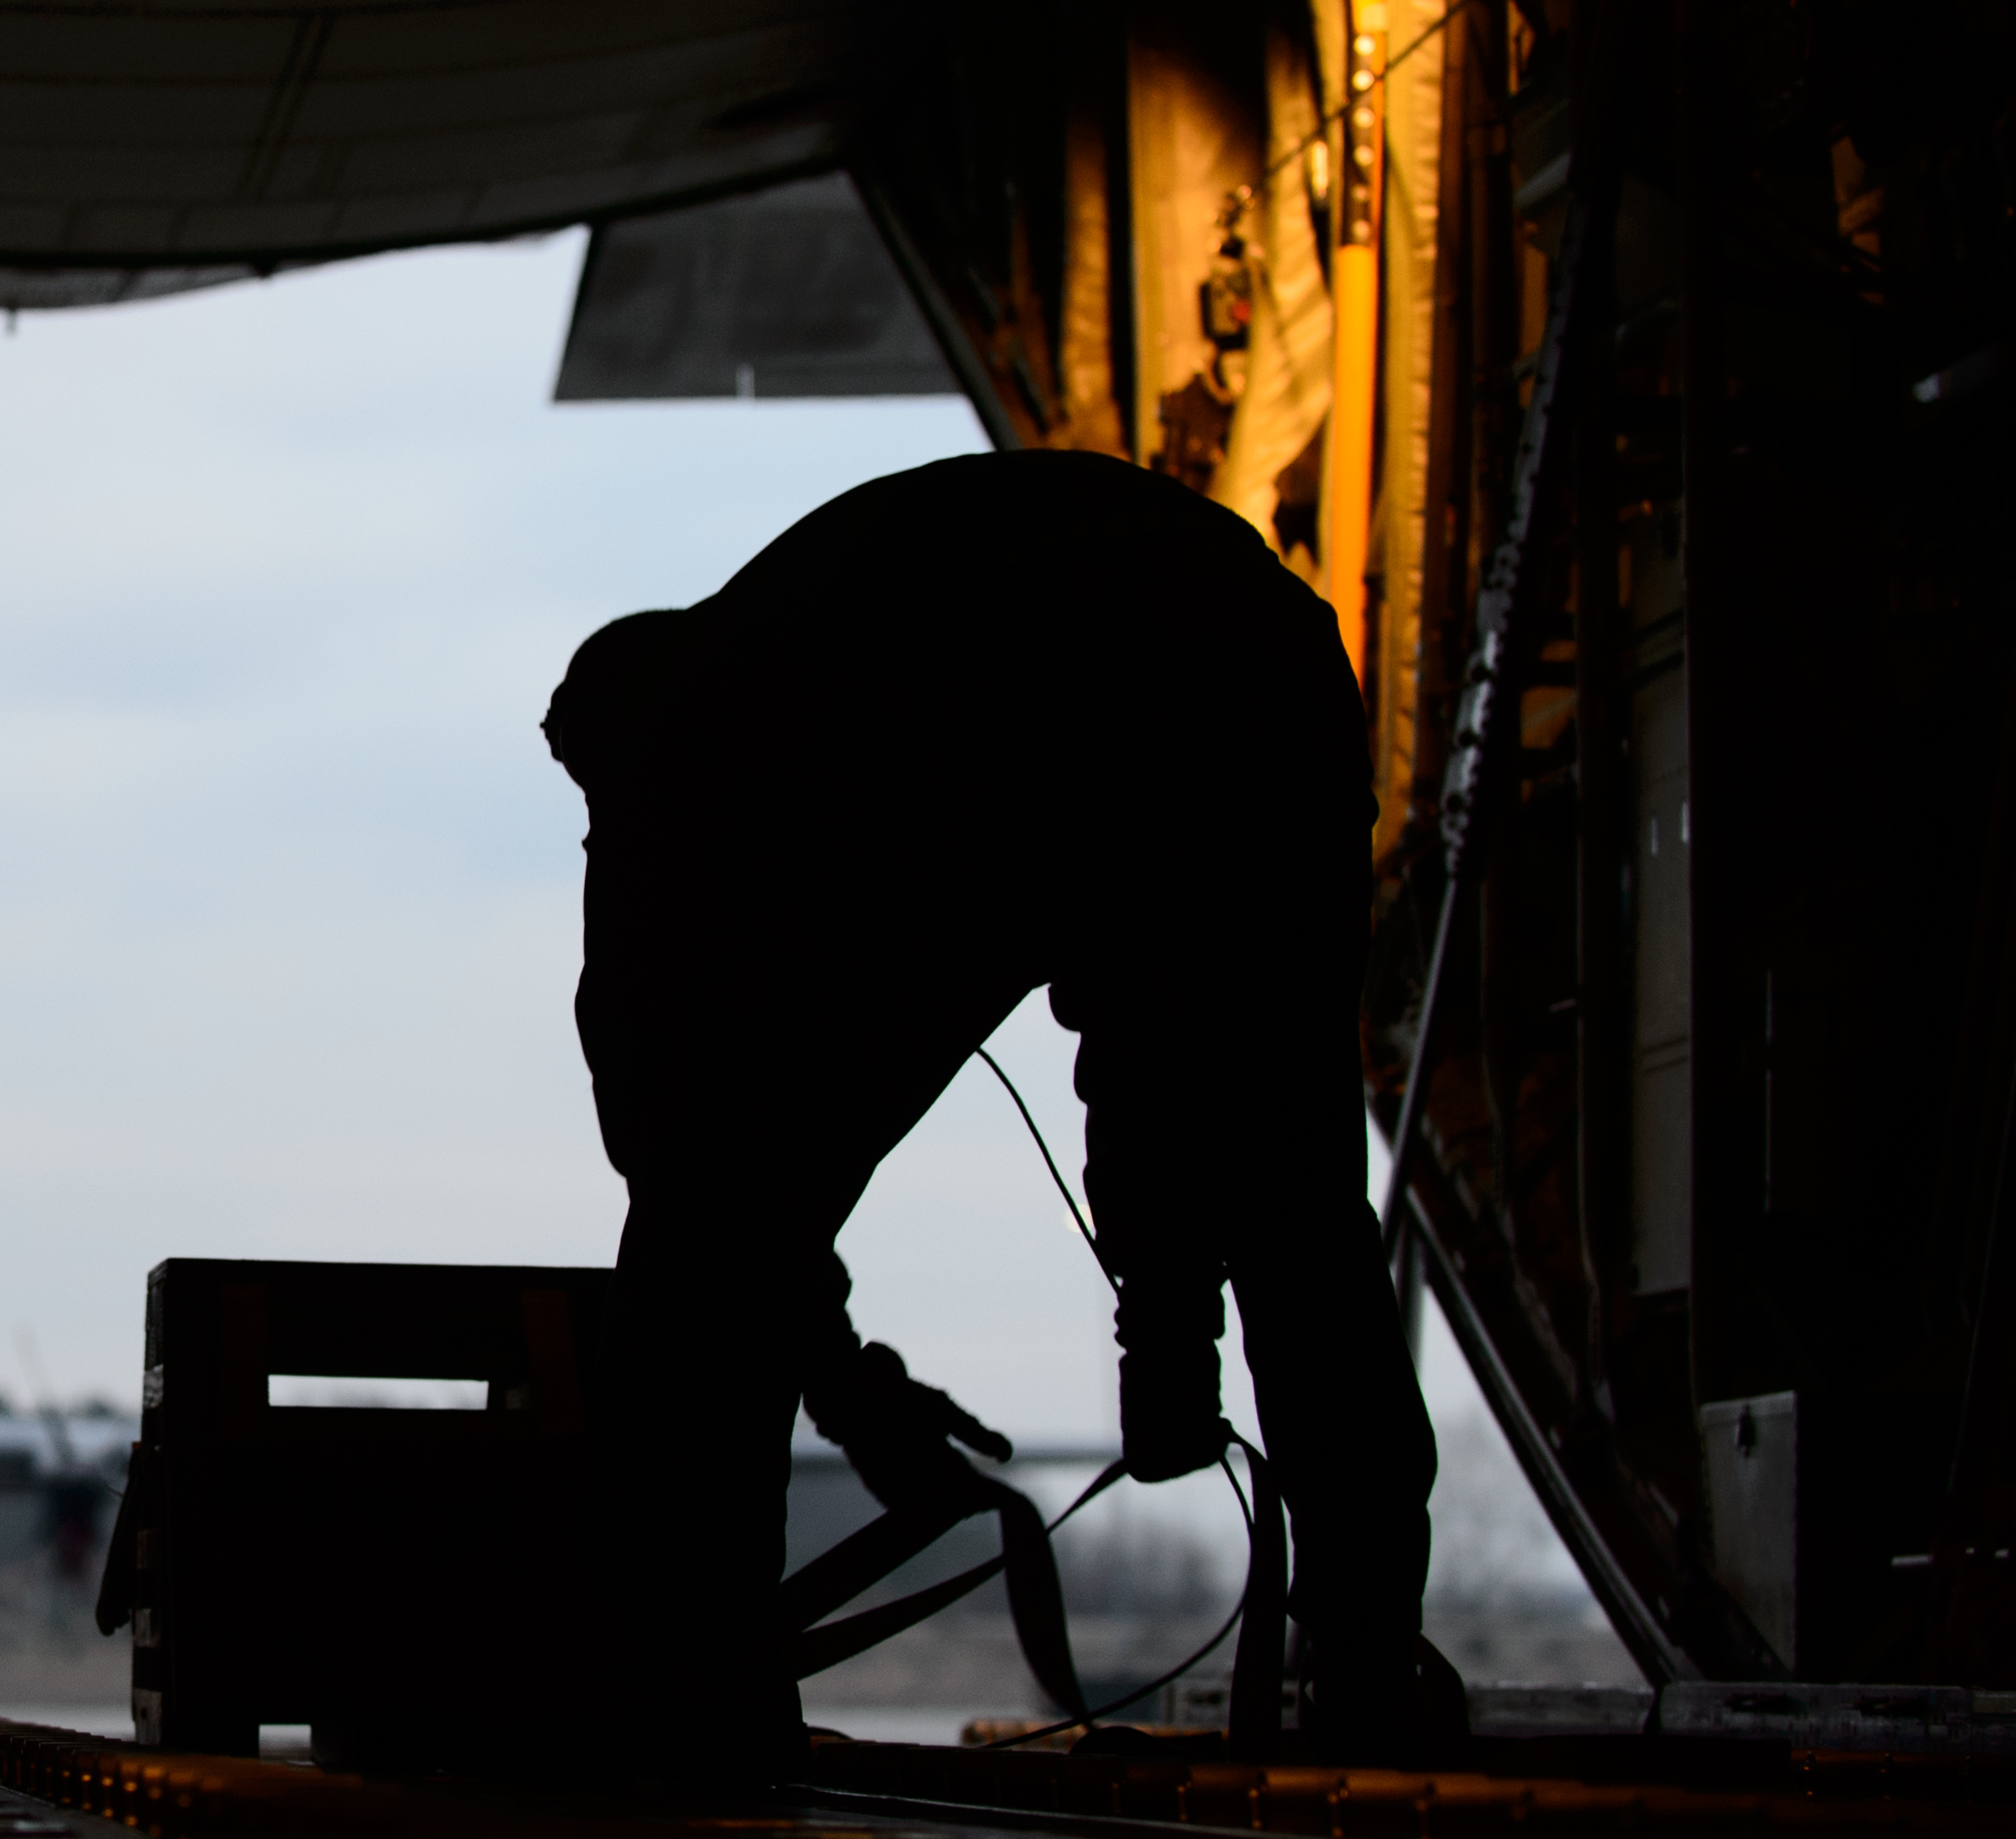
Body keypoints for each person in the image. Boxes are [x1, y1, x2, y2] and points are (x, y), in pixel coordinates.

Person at [541, 450, 1436, 1770]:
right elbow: (1150, 1026)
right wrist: (1162, 1340)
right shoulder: (798, 664)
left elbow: (702, 1178)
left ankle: (685, 1682)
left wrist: (860, 1400)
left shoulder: (718, 780)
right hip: (1261, 672)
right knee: (1297, 1203)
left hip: (1104, 695)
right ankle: (1369, 1664)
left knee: (702, 1269)